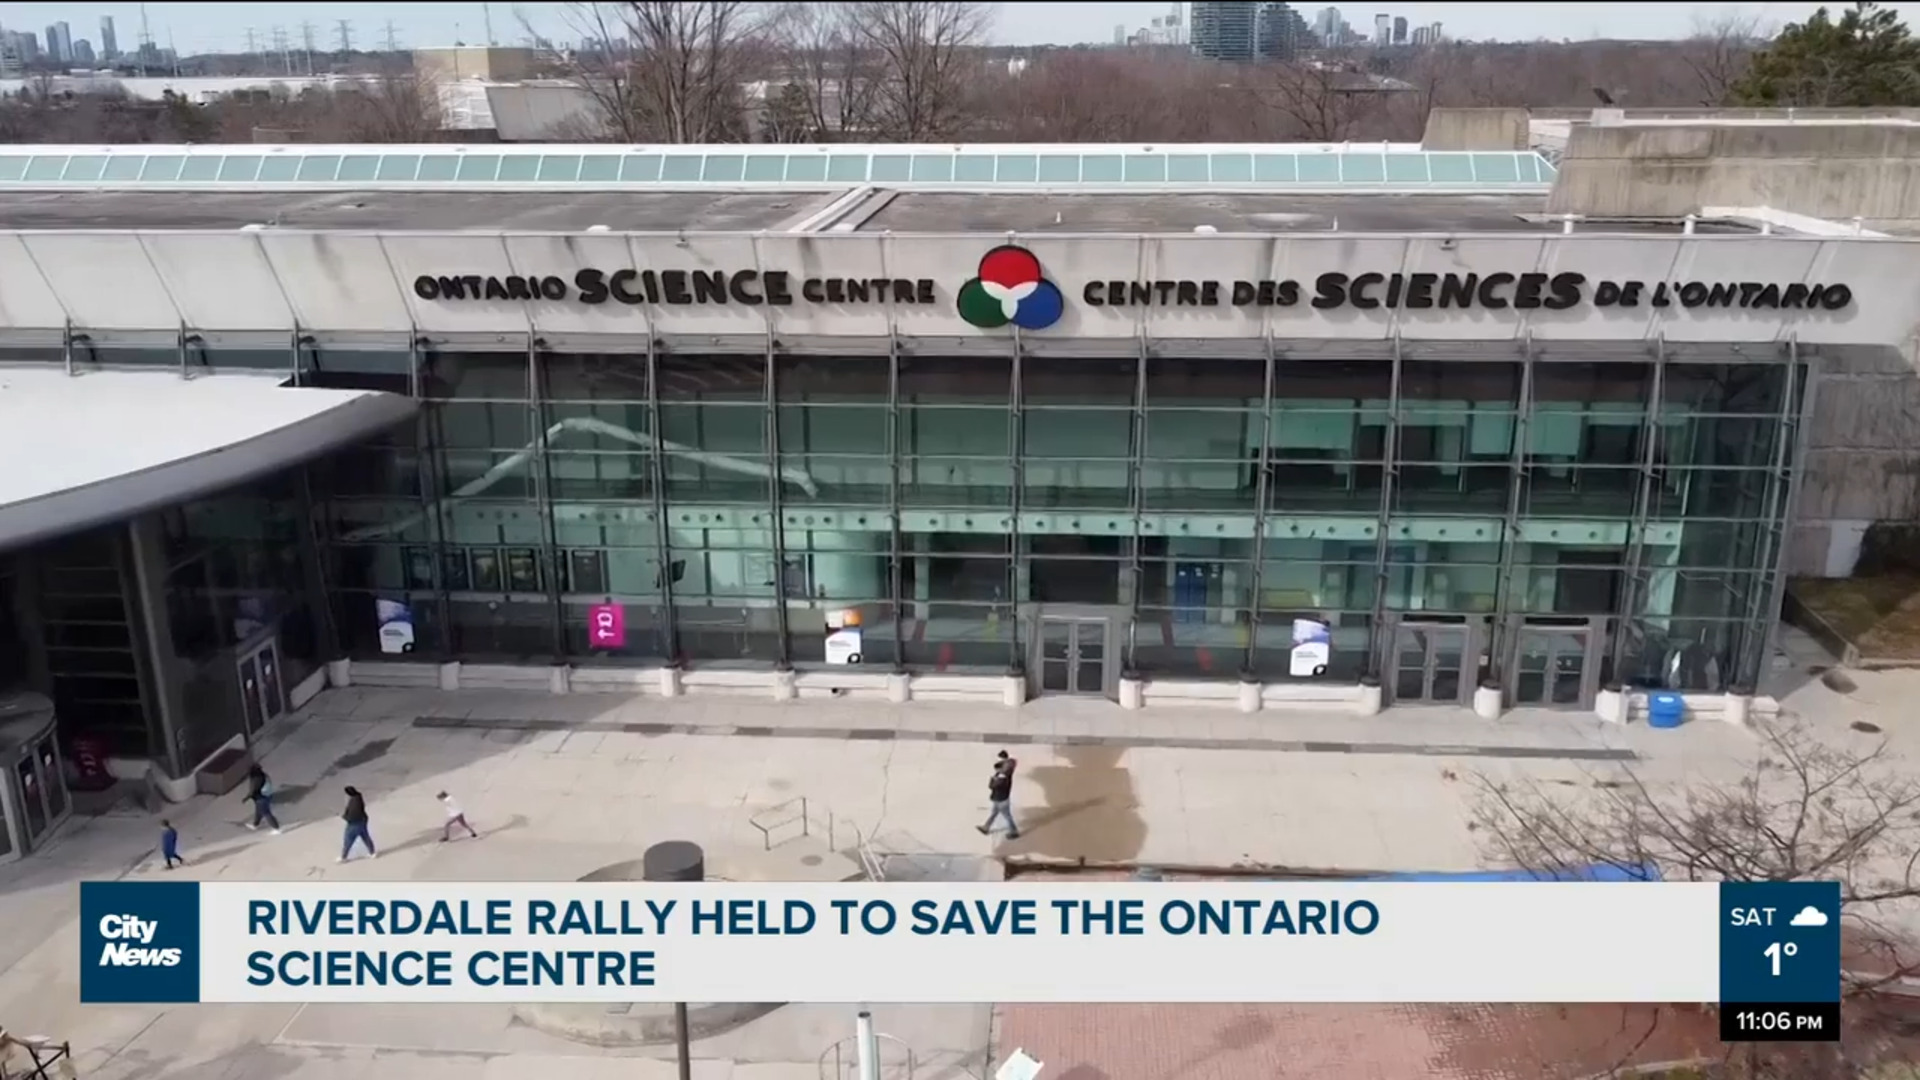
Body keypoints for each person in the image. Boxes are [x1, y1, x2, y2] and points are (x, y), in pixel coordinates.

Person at [978, 754, 1020, 839]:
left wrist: (993, 779)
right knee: (994, 813)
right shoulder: (1008, 774)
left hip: (1000, 800)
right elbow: (1011, 762)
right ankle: (986, 827)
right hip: (1001, 799)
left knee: (1007, 816)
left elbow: (991, 786)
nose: (996, 771)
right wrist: (1005, 759)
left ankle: (1014, 831)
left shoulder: (1000, 780)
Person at [339, 785, 377, 862]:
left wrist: (345, 817)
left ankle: (343, 857)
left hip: (354, 823)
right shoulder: (358, 797)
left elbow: (353, 814)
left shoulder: (354, 802)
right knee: (365, 837)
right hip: (362, 821)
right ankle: (372, 852)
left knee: (348, 840)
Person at [241, 765, 282, 834]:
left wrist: (246, 798)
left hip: (261, 797)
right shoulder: (263, 774)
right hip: (267, 795)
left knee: (266, 812)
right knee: (259, 811)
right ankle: (255, 825)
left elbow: (253, 790)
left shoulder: (256, 778)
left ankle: (276, 828)